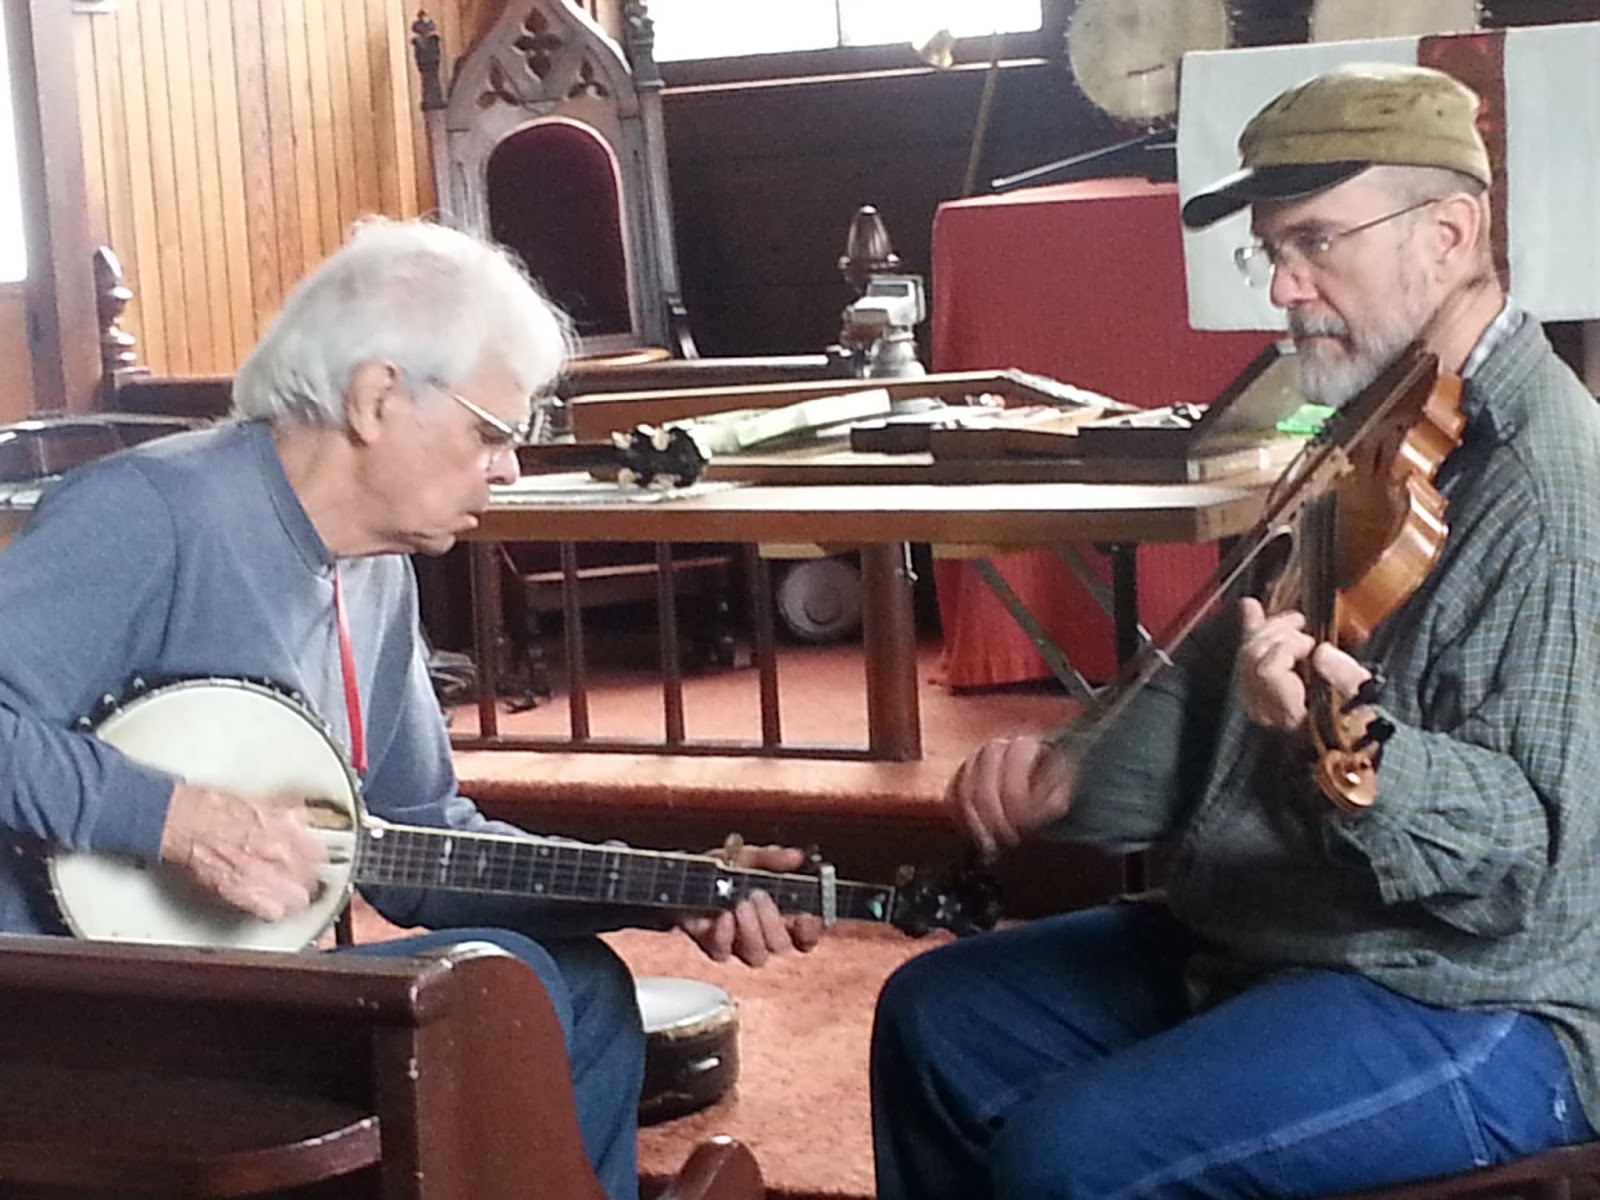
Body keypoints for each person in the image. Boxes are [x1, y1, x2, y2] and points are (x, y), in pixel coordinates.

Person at [870, 61, 1600, 1198]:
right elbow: (1215, 663)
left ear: (1448, 233)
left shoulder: (1548, 494)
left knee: (1077, 1152)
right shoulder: (1376, 423)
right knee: (936, 1015)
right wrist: (1071, 777)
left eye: (1315, 243)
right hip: (1289, 936)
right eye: (1272, 249)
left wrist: (1345, 745)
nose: (1284, 289)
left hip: (1485, 994)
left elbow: (1523, 865)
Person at [0, 217, 821, 1200]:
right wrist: (176, 818)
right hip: (61, 1006)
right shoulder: (151, 510)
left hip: (215, 996)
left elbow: (425, 841)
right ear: (376, 395)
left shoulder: (375, 573)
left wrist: (669, 887)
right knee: (492, 987)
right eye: (491, 433)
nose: (507, 468)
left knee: (586, 989)